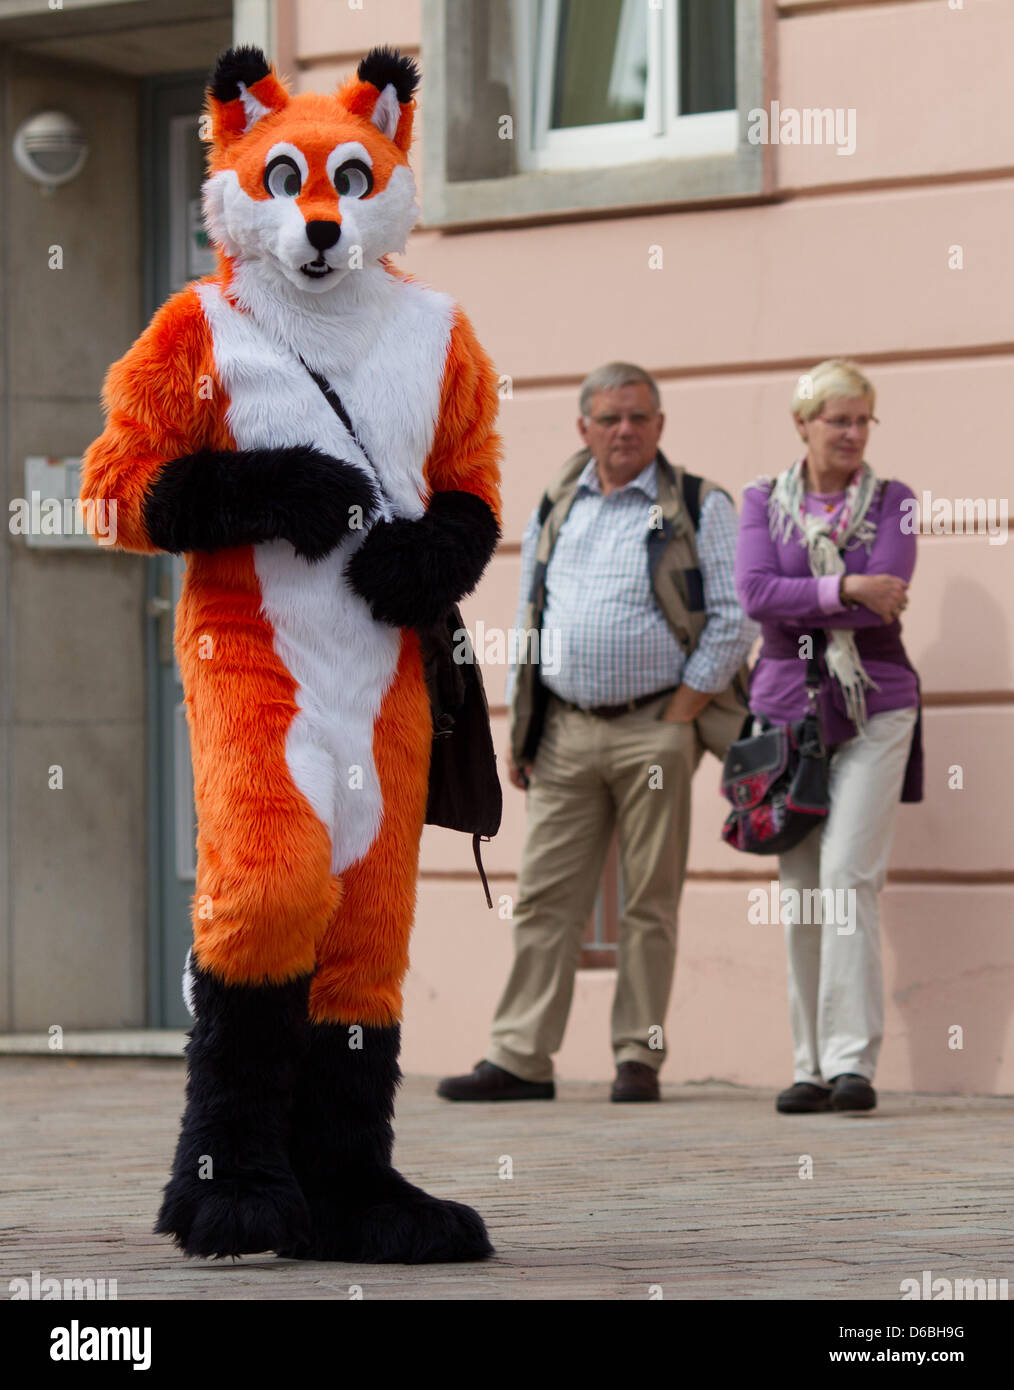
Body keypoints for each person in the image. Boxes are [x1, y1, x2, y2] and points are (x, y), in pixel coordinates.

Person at [438, 362, 757, 1103]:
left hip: (655, 726)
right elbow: (530, 612)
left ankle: (636, 1058)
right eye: (610, 417)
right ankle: (520, 1058)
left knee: (650, 899)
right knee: (546, 896)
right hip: (565, 729)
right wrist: (521, 730)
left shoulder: (698, 503)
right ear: (583, 427)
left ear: (660, 426)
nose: (625, 430)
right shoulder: (558, 499)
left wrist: (680, 714)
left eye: (639, 417)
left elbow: (733, 618)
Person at [734, 359, 922, 1115]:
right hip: (785, 712)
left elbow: (891, 600)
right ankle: (808, 1066)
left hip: (876, 705)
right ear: (802, 424)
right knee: (803, 888)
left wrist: (805, 602)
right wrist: (845, 586)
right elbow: (754, 594)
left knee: (847, 876)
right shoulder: (760, 501)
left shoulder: (896, 502)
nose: (850, 433)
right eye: (837, 419)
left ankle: (852, 1065)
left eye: (862, 420)